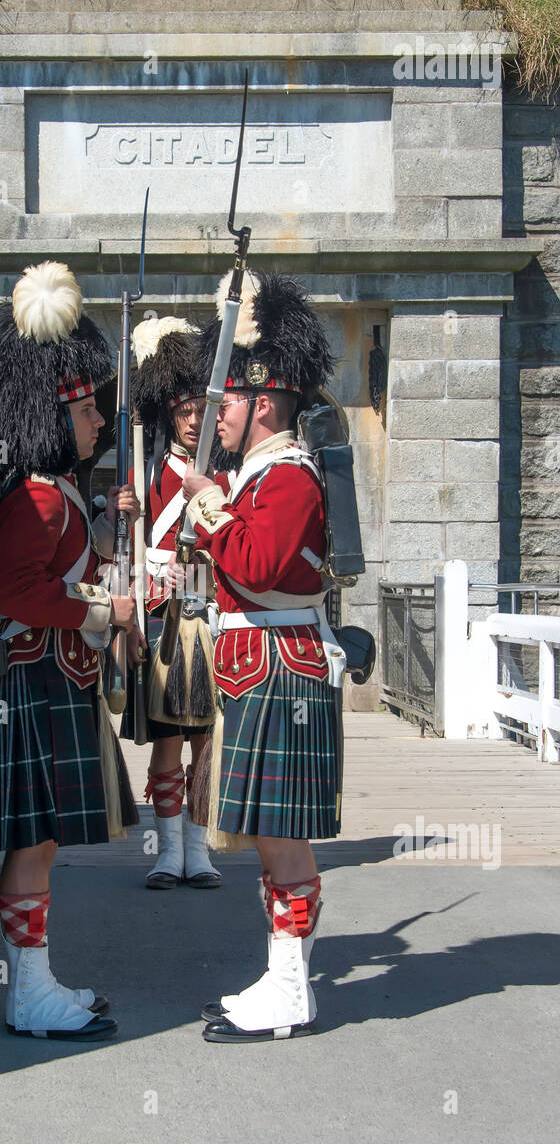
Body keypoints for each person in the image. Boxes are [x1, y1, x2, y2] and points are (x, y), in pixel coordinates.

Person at [0, 261, 142, 1041]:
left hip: (45, 681)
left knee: (41, 842)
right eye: (90, 411)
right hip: (36, 680)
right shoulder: (36, 495)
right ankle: (29, 994)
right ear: (61, 416)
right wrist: (103, 609)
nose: (98, 423)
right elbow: (16, 591)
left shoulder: (59, 494)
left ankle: (35, 983)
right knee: (36, 843)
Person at [179, 268, 346, 1044]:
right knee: (273, 840)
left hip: (281, 668)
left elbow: (259, 566)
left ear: (265, 404)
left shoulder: (287, 478)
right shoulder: (259, 474)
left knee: (282, 838)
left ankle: (291, 989)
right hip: (263, 667)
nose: (215, 418)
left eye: (229, 403)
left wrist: (210, 509)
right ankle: (282, 979)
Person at [128, 317, 232, 889]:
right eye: (185, 413)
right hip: (161, 617)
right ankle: (167, 852)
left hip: (212, 616)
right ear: (171, 415)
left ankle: (200, 849)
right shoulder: (146, 471)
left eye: (202, 411)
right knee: (168, 741)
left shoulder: (230, 474)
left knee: (207, 742)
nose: (194, 422)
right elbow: (125, 551)